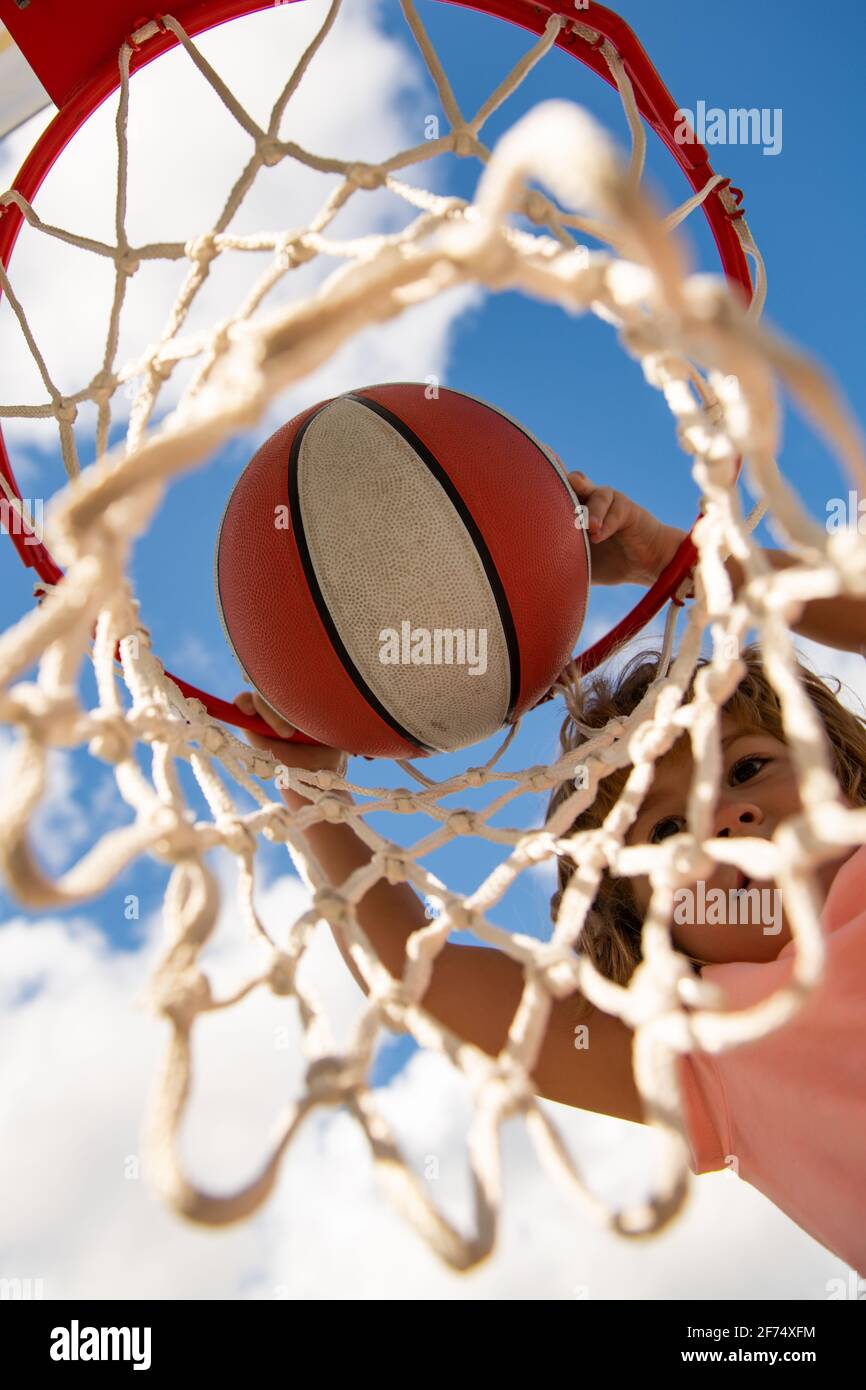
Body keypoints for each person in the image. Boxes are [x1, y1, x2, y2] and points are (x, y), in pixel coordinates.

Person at [234, 468, 866, 1272]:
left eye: (746, 769)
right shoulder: (709, 1042)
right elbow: (418, 977)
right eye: (668, 829)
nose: (722, 813)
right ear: (656, 937)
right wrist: (314, 791)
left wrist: (678, 560)